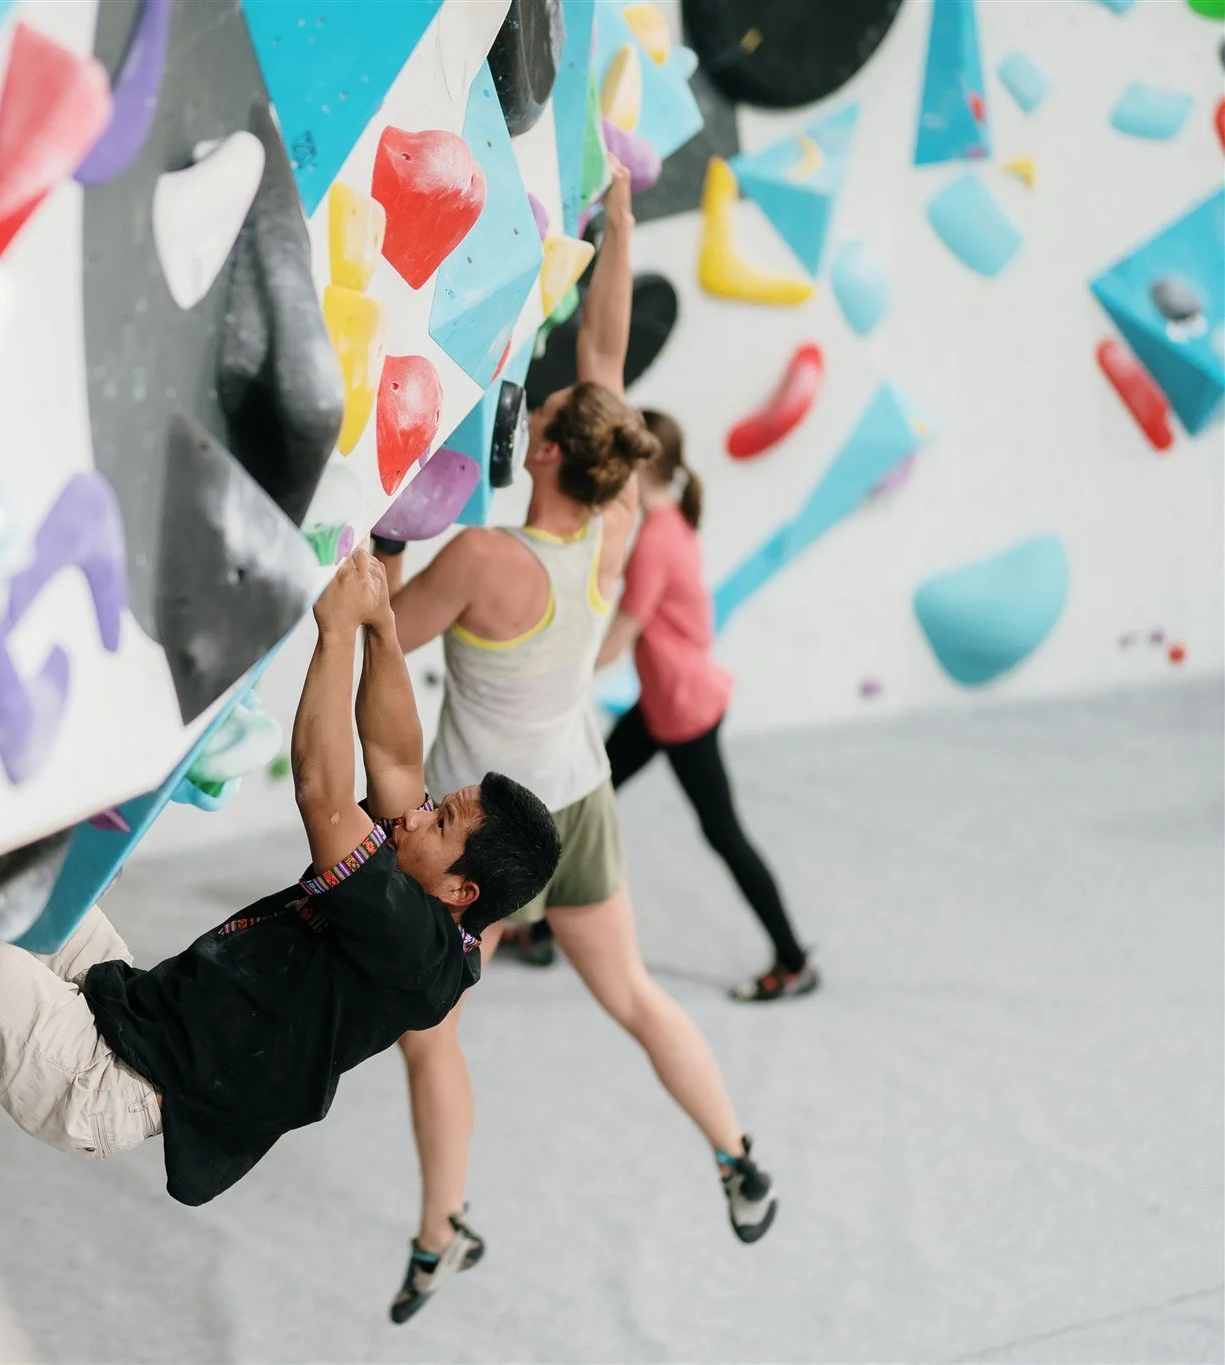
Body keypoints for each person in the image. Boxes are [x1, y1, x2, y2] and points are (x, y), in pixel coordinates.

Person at [0, 549, 562, 1208]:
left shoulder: (413, 944)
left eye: (440, 824)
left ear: (462, 891)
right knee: (15, 869)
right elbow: (398, 761)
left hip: (106, 1079)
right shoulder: (429, 876)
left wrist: (335, 631)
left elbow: (322, 791)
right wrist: (380, 623)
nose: (415, 816)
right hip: (137, 1004)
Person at [370, 157, 777, 1324]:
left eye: (539, 413)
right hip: (578, 805)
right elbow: (604, 362)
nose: (539, 405)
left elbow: (381, 640)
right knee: (636, 994)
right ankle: (734, 1152)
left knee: (428, 1029)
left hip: (485, 833)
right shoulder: (617, 514)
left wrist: (379, 538)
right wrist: (622, 213)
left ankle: (438, 1232)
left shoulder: (485, 562)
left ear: (544, 454)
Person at [596, 410, 816, 1003]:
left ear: (638, 467)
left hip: (682, 709)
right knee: (588, 795)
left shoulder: (656, 541)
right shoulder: (671, 523)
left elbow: (623, 633)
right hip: (665, 700)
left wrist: (560, 677)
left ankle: (793, 961)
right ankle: (542, 926)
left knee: (723, 833)